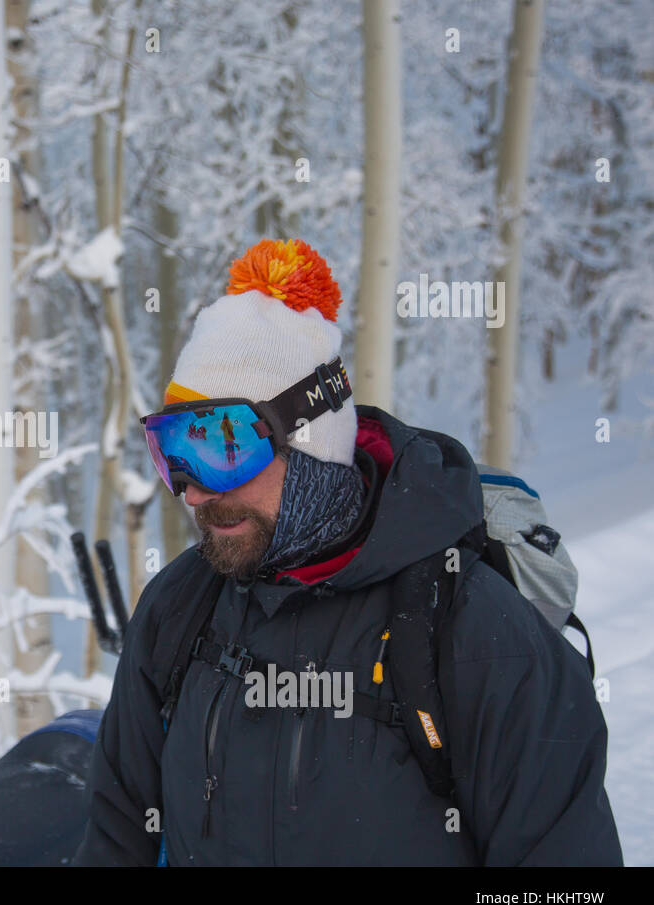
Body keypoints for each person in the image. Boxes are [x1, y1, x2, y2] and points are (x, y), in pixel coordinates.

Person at [73, 239, 623, 866]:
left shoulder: (479, 635)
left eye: (219, 445)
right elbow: (118, 846)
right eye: (170, 449)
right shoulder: (179, 610)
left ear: (309, 443)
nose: (192, 488)